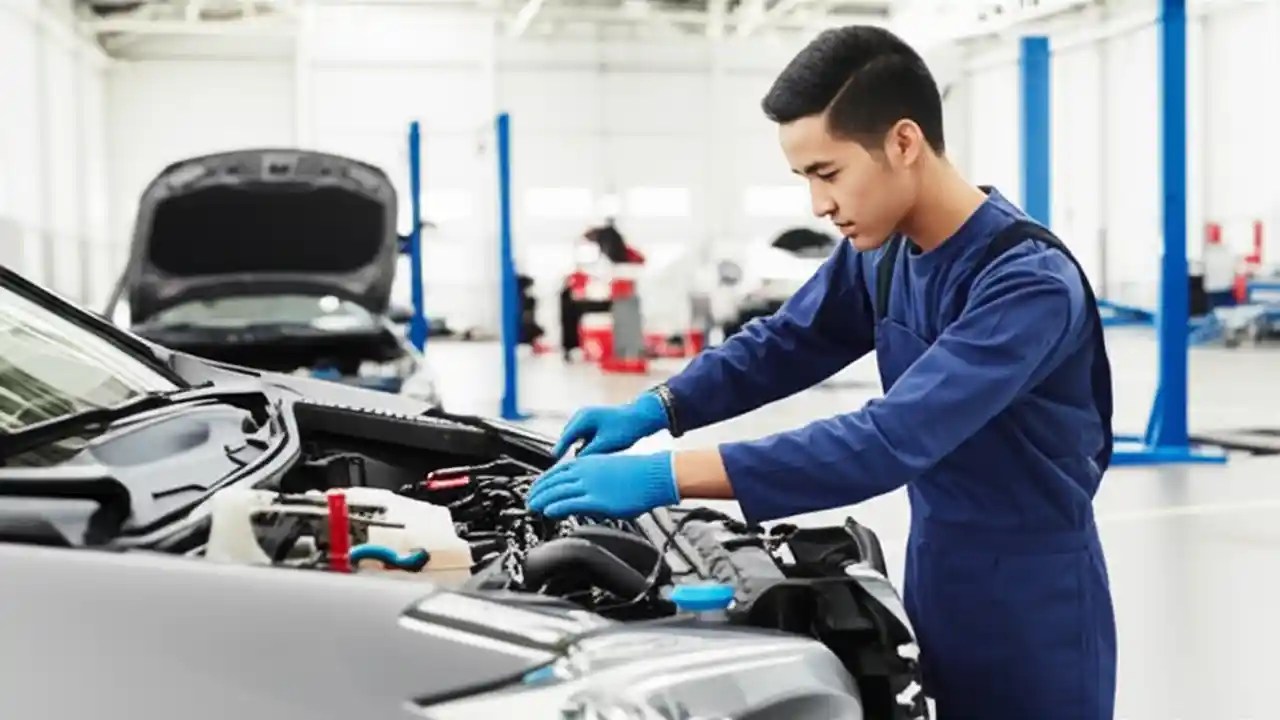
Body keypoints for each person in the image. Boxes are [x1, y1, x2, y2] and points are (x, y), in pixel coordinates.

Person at [525, 25, 1118, 720]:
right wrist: (658, 405)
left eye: (828, 173)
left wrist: (667, 475)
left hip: (1033, 599)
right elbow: (784, 342)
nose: (818, 204)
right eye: (805, 177)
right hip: (936, 568)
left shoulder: (1025, 284)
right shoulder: (883, 252)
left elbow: (887, 440)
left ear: (903, 142)